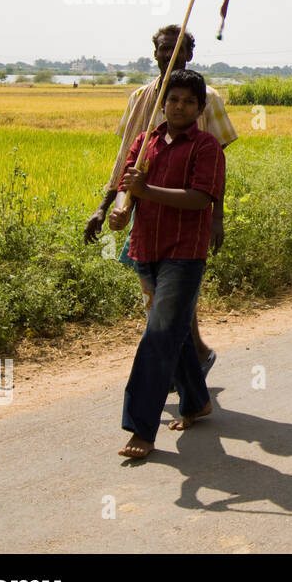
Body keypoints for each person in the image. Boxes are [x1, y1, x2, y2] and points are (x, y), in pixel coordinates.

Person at [85, 24, 235, 379]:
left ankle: (164, 372)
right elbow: (126, 161)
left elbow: (215, 167)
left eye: (177, 51)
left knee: (174, 292)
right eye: (164, 50)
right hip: (146, 216)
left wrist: (217, 215)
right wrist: (107, 206)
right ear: (155, 54)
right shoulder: (141, 98)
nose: (169, 57)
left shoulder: (206, 98)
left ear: (189, 55)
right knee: (161, 295)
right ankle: (192, 362)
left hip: (186, 213)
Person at [108, 70, 225, 460]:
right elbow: (129, 188)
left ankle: (141, 427)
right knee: (171, 330)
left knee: (158, 334)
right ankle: (196, 401)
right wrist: (123, 210)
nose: (179, 107)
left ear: (199, 108)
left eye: (189, 102)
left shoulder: (206, 147)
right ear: (163, 104)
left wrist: (146, 191)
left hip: (184, 253)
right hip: (146, 247)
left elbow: (199, 199)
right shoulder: (146, 142)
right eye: (173, 99)